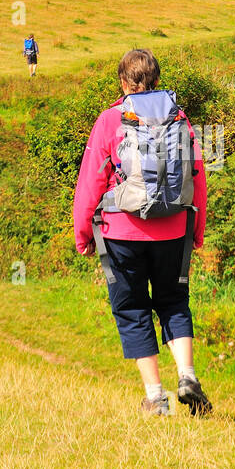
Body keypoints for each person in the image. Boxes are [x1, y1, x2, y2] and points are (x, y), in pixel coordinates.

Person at [72, 48, 210, 417]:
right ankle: (188, 375)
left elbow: (90, 182)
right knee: (174, 301)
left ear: (123, 83)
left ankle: (156, 398)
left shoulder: (109, 120)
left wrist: (82, 232)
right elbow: (198, 177)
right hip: (173, 231)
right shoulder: (181, 118)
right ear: (158, 80)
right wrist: (196, 228)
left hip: (120, 233)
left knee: (133, 309)